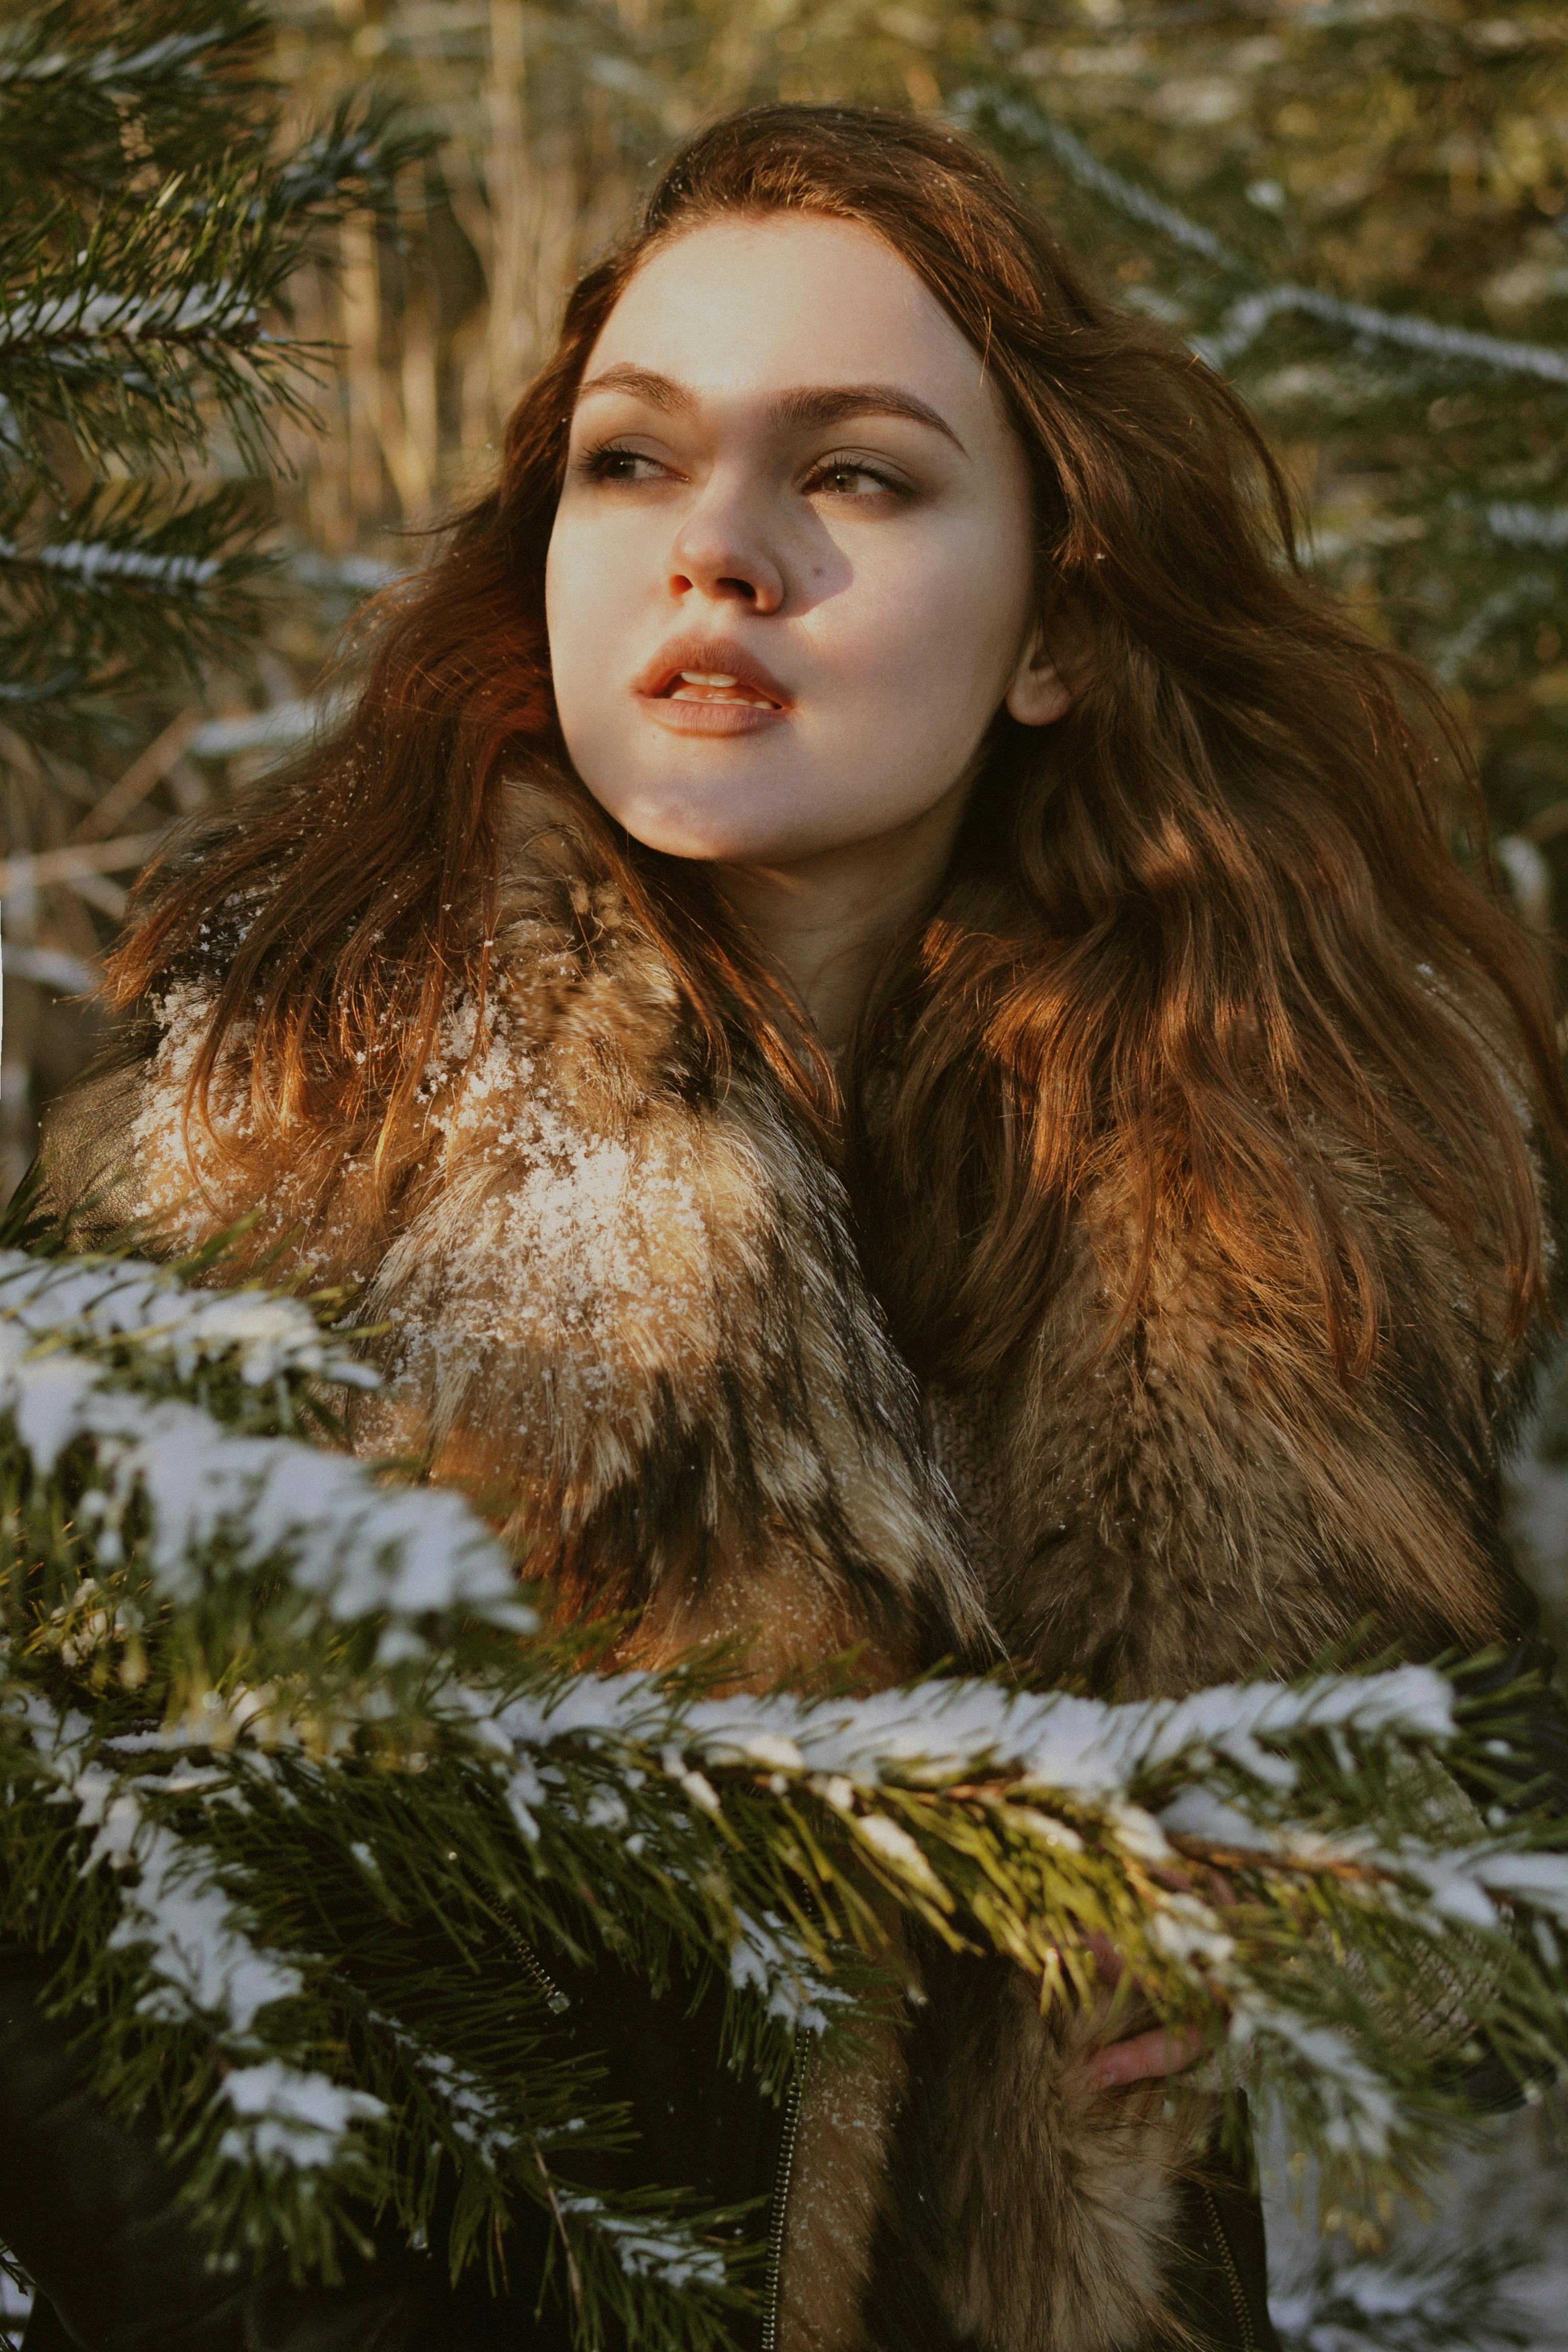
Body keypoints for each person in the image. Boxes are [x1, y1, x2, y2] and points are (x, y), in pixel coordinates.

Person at [9, 100, 1566, 2352]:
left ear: (1055, 628)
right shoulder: (275, 1156)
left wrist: (1295, 1933)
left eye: (857, 474)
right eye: (629, 463)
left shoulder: (1276, 1192)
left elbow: (1472, 1834)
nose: (715, 550)